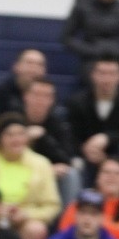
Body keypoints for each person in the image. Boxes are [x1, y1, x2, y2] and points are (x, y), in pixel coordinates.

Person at [66, 56, 119, 182]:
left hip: (118, 157)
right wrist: (86, 149)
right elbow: (71, 135)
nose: (107, 79)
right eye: (102, 73)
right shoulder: (77, 102)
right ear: (93, 75)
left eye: (112, 74)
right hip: (86, 157)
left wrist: (107, 138)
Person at [21, 77, 83, 207]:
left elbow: (66, 159)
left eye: (46, 96)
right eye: (36, 95)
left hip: (47, 178)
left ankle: (68, 223)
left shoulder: (58, 124)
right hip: (16, 174)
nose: (40, 101)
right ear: (26, 96)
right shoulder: (14, 121)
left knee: (70, 174)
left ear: (52, 100)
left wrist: (43, 137)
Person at [0, 49, 48, 133]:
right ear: (16, 66)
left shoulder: (48, 92)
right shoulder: (1, 91)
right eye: (29, 63)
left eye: (39, 65)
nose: (33, 69)